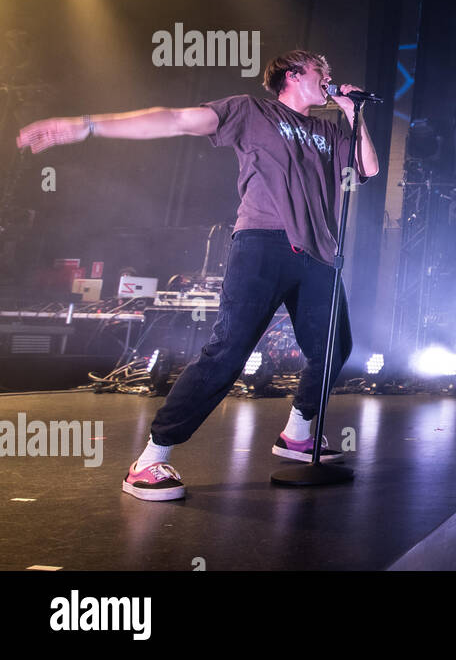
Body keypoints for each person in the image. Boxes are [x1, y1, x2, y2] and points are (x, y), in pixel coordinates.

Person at [16, 50, 380, 501]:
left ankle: (298, 434)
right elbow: (174, 119)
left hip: (320, 253)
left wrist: (352, 113)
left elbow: (369, 168)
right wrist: (88, 124)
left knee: (334, 348)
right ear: (294, 74)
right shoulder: (251, 111)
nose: (331, 77)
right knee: (227, 353)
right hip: (262, 244)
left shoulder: (329, 128)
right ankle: (150, 459)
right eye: (323, 70)